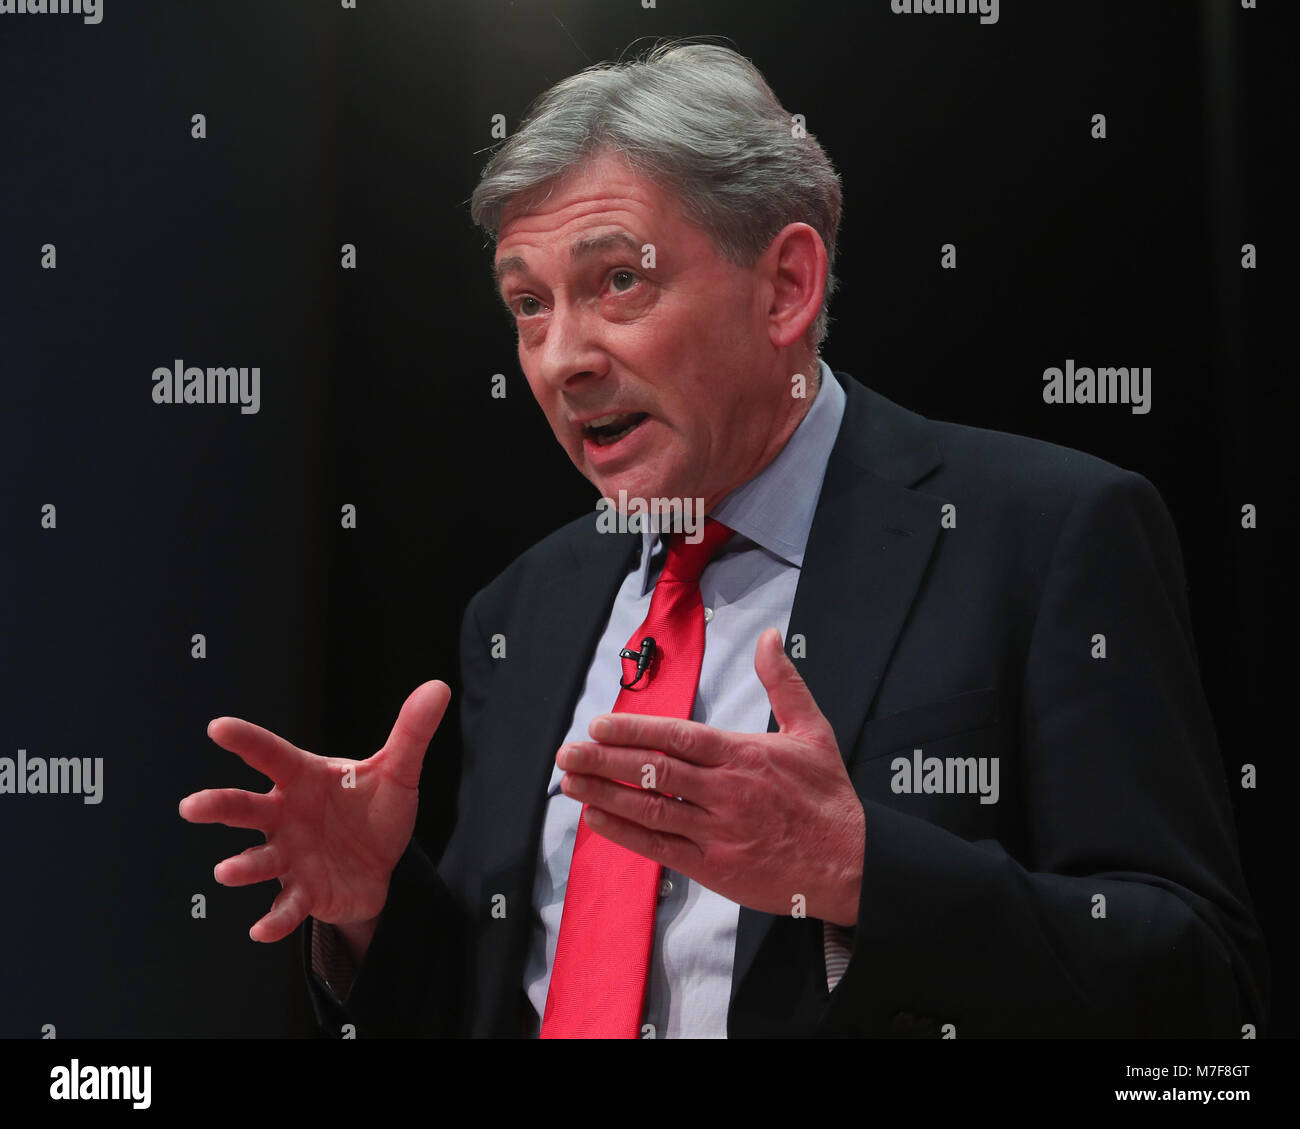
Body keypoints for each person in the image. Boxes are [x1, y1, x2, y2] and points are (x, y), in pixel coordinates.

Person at [179, 41, 1268, 1038]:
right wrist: (375, 911)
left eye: (618, 281)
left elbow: (1198, 985)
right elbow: (498, 1001)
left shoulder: (1042, 533)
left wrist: (857, 872)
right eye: (527, 304)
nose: (562, 359)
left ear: (785, 285)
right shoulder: (523, 608)